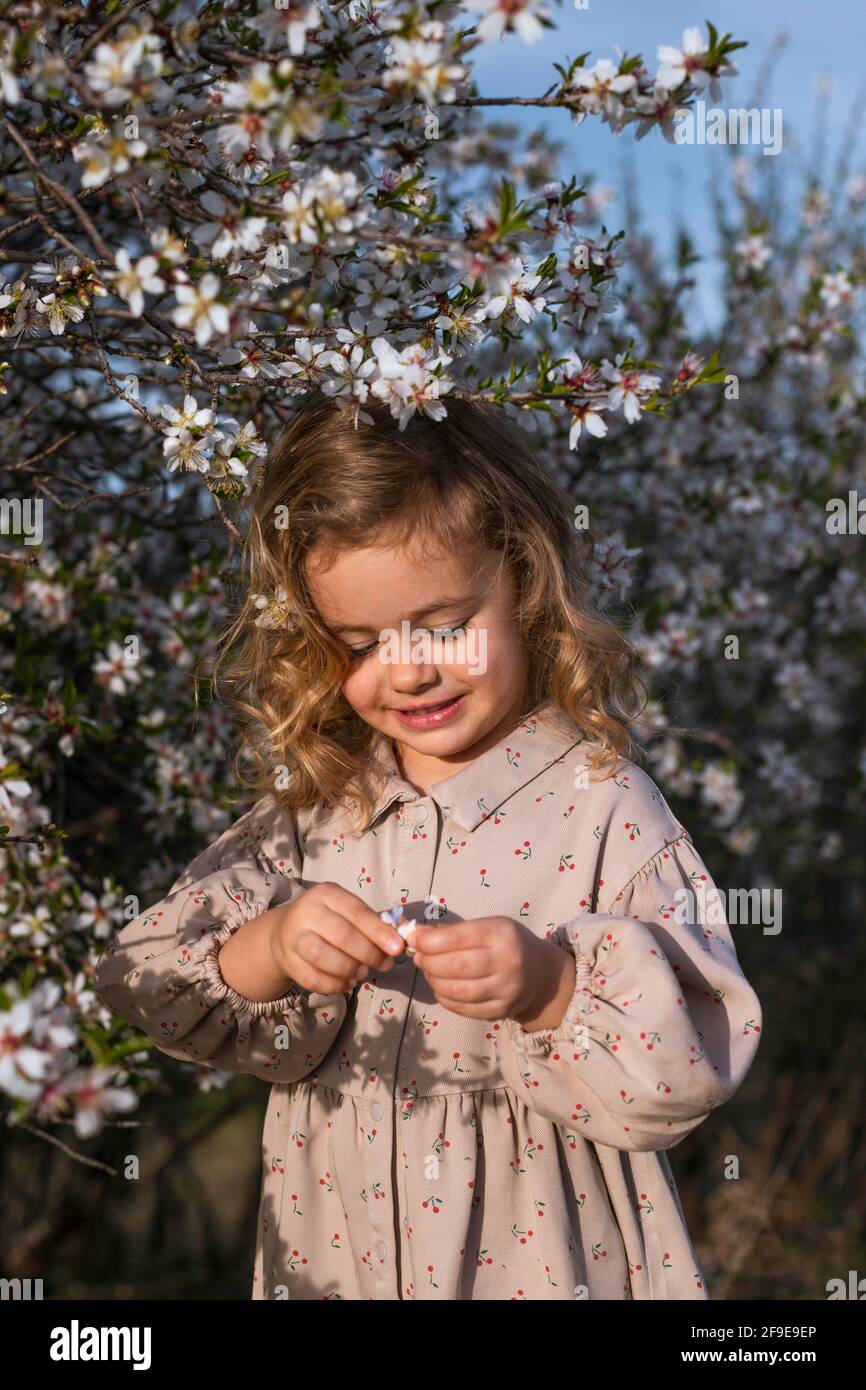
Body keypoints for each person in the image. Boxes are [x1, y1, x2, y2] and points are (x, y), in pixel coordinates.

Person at [94, 391, 763, 1301]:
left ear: (525, 582)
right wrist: (270, 950)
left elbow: (687, 1072)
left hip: (542, 1259)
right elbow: (145, 983)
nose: (408, 671)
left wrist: (550, 988)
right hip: (340, 1255)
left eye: (444, 626)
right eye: (361, 642)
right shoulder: (320, 811)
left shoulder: (602, 808)